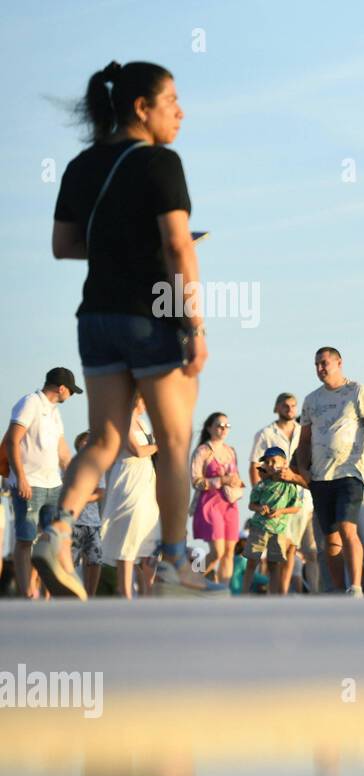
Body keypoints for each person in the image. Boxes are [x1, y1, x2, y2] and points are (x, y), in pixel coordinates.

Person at [39, 60, 219, 598]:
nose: (181, 112)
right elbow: (178, 245)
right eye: (172, 102)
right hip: (153, 314)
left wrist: (120, 244)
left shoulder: (79, 165)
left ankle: (59, 528)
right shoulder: (160, 162)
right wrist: (194, 324)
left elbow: (64, 247)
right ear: (142, 108)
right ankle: (171, 566)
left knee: (106, 439)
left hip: (95, 317)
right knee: (174, 440)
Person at [294, 347, 364, 596]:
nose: (320, 368)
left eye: (324, 363)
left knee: (347, 528)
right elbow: (304, 439)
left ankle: (355, 586)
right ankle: (338, 589)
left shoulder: (357, 391)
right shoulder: (311, 399)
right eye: (316, 364)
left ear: (338, 362)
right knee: (330, 540)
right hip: (320, 477)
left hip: (350, 472)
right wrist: (303, 468)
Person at [4, 368, 78, 598]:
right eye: (71, 391)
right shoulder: (30, 403)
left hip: (53, 486)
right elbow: (12, 442)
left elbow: (63, 450)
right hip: (29, 485)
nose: (70, 396)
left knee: (52, 541)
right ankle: (27, 592)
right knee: (26, 540)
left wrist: (76, 476)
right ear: (61, 388)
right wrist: (21, 478)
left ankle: (49, 592)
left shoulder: (55, 412)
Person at [249, 393, 317, 595]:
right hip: (276, 502)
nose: (290, 409)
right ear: (277, 407)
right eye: (285, 405)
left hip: (305, 498)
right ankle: (280, 594)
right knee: (281, 552)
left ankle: (316, 594)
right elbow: (255, 465)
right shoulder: (266, 434)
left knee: (310, 551)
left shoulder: (303, 431)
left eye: (294, 405)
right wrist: (259, 496)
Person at [98, 394, 161, 599]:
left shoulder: (142, 423)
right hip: (128, 479)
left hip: (146, 481)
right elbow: (137, 450)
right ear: (137, 400)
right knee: (128, 536)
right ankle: (125, 592)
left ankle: (147, 591)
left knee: (147, 538)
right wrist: (159, 445)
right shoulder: (122, 420)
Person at [190, 412, 243, 585]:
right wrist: (220, 480)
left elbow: (236, 477)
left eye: (227, 426)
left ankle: (224, 590)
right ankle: (190, 578)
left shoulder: (231, 451)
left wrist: (236, 481)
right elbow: (196, 481)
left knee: (229, 552)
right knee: (216, 552)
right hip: (210, 504)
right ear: (209, 428)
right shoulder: (202, 451)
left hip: (229, 504)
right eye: (219, 425)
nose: (223, 429)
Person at [242, 447, 302, 595]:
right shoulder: (261, 484)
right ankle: (243, 594)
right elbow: (251, 505)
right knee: (252, 562)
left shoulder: (290, 485)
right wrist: (259, 508)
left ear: (284, 463)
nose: (270, 465)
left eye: (273, 461)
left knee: (274, 565)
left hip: (279, 530)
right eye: (267, 462)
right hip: (258, 528)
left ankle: (274, 597)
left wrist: (281, 511)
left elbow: (296, 507)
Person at [70, 433, 105, 598]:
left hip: (93, 523)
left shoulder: (98, 467)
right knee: (69, 562)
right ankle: (69, 594)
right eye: (83, 443)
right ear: (78, 446)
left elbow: (101, 493)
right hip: (73, 522)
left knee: (95, 561)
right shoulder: (70, 465)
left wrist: (82, 497)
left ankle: (90, 595)